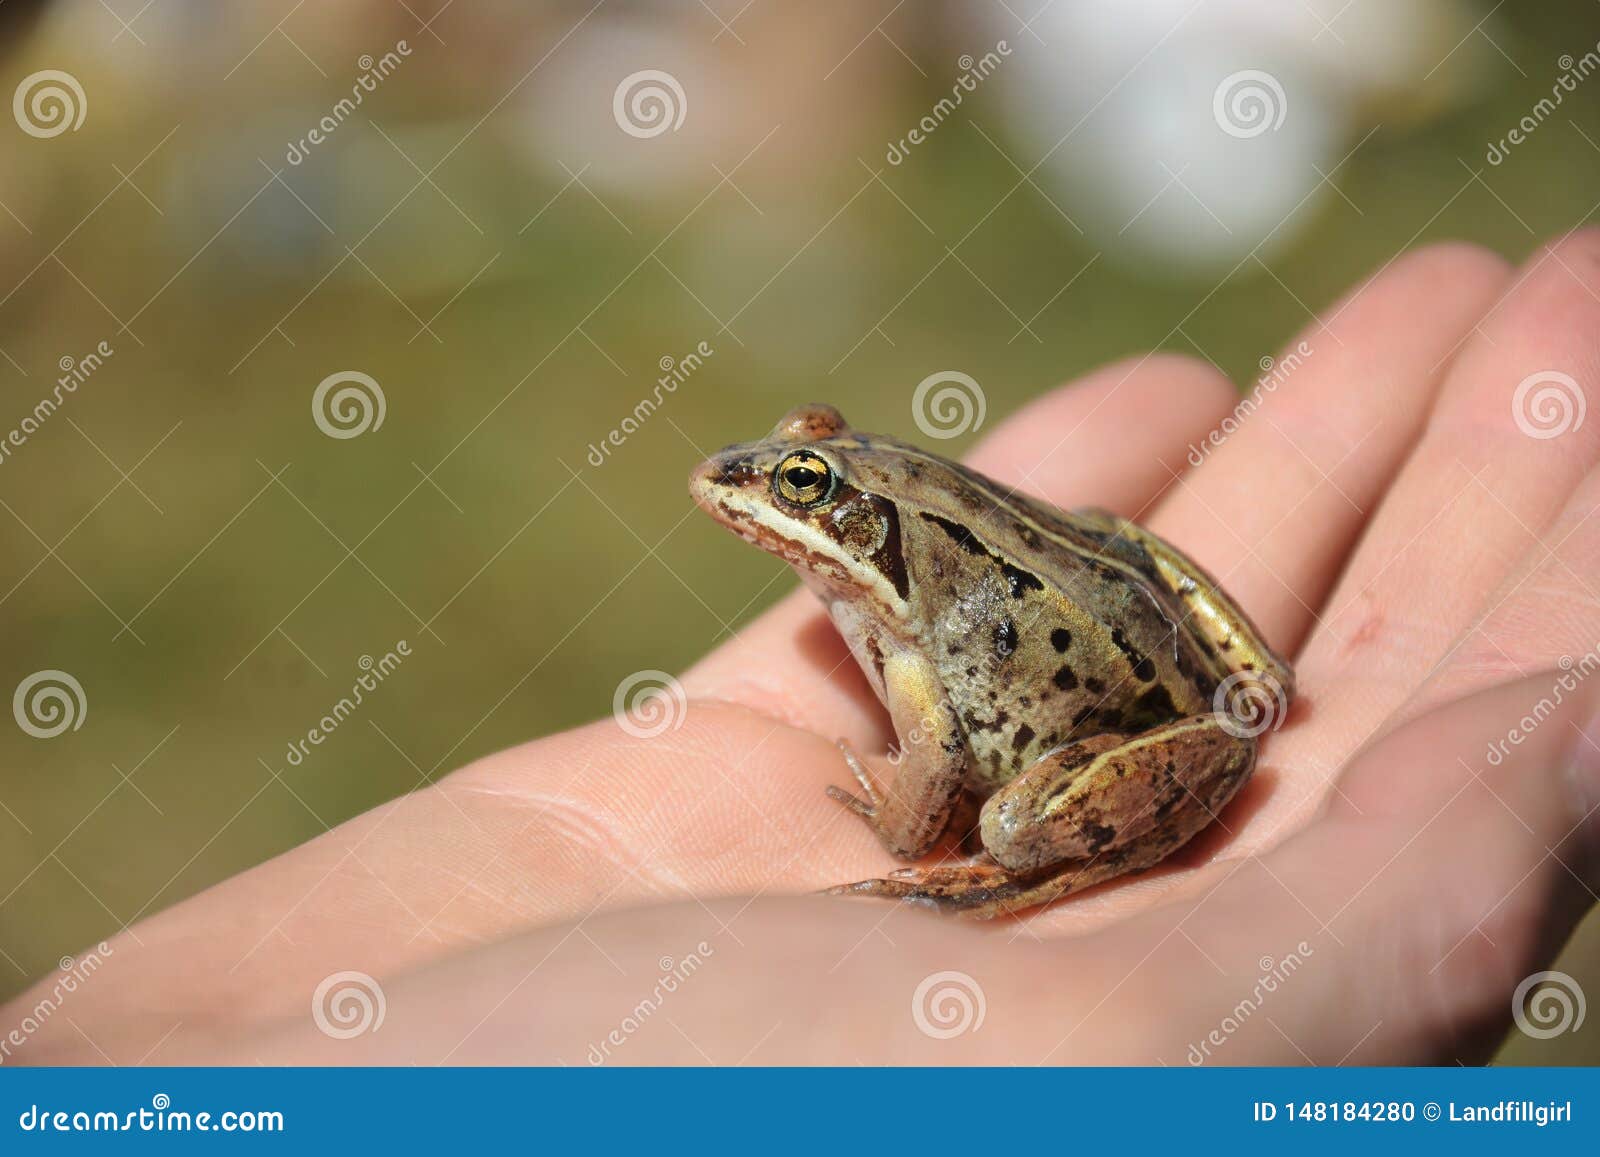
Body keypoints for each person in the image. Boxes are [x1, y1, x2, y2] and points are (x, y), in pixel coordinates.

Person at [7, 235, 1598, 1064]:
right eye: (796, 466)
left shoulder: (906, 640)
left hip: (1096, 715)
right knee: (1121, 546)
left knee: (1019, 824)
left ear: (859, 517)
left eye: (812, 486)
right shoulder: (883, 577)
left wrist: (935, 835)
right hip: (1125, 589)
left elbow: (934, 793)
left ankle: (1065, 862)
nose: (762, 491)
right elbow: (1123, 554)